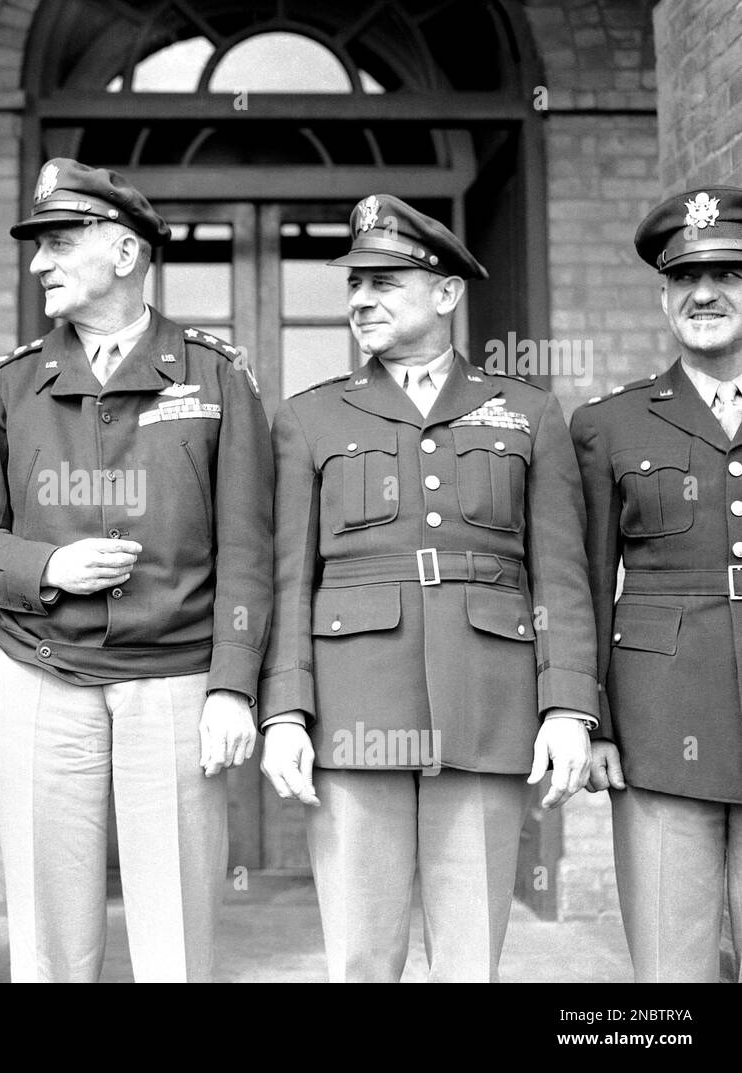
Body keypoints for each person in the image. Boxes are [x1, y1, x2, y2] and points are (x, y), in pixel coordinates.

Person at [0, 158, 273, 982]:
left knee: (177, 935)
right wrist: (50, 563)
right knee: (49, 936)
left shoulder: (216, 375)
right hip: (41, 674)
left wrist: (234, 684)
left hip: (175, 680)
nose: (38, 263)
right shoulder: (11, 383)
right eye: (37, 245)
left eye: (58, 242)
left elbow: (249, 549)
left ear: (124, 253)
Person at [260, 194, 598, 982]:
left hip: (486, 705)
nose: (361, 300)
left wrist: (568, 706)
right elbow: (285, 578)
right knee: (361, 955)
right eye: (353, 285)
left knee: (470, 958)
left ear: (446, 292)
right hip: (355, 708)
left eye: (384, 282)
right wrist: (283, 711)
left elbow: (561, 574)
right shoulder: (310, 418)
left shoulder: (526, 411)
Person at [571, 186, 742, 982]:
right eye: (684, 279)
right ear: (663, 295)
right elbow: (583, 585)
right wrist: (596, 722)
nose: (703, 293)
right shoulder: (612, 425)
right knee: (674, 974)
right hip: (659, 726)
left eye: (728, 272)